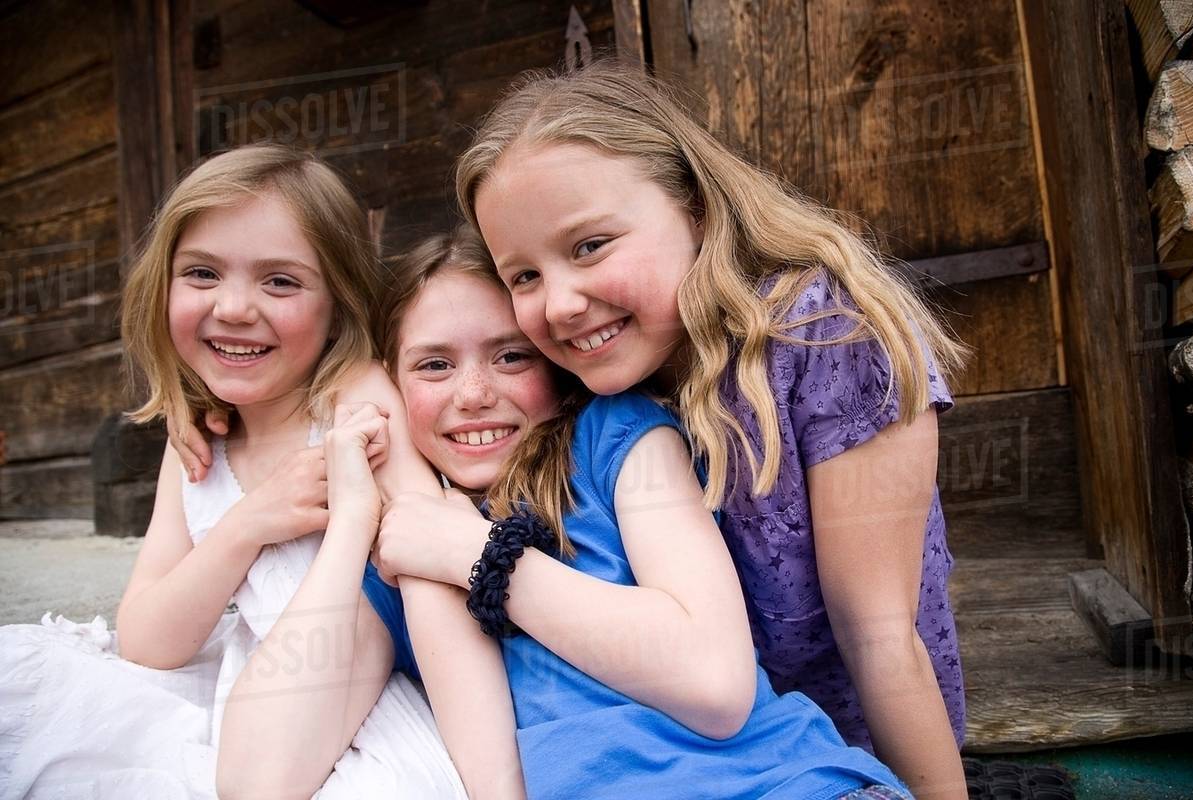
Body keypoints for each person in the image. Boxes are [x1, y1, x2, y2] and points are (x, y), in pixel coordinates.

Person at [447, 60, 970, 798]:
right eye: (523, 276)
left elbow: (880, 639)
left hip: (826, 762)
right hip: (686, 761)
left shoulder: (827, 337)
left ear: (693, 206)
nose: (560, 303)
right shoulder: (588, 382)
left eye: (589, 246)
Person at [0, 144, 499, 799]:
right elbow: (146, 641)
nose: (234, 308)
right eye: (202, 274)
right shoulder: (196, 451)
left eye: (280, 281)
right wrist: (248, 524)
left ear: (339, 305)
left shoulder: (355, 405)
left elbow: (433, 580)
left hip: (344, 704)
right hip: (234, 692)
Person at [361, 226, 913, 800]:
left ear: (552, 361)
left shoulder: (615, 440)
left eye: (511, 356)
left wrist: (476, 555)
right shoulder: (403, 547)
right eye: (432, 366)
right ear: (392, 382)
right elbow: (278, 757)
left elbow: (715, 686)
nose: (473, 393)